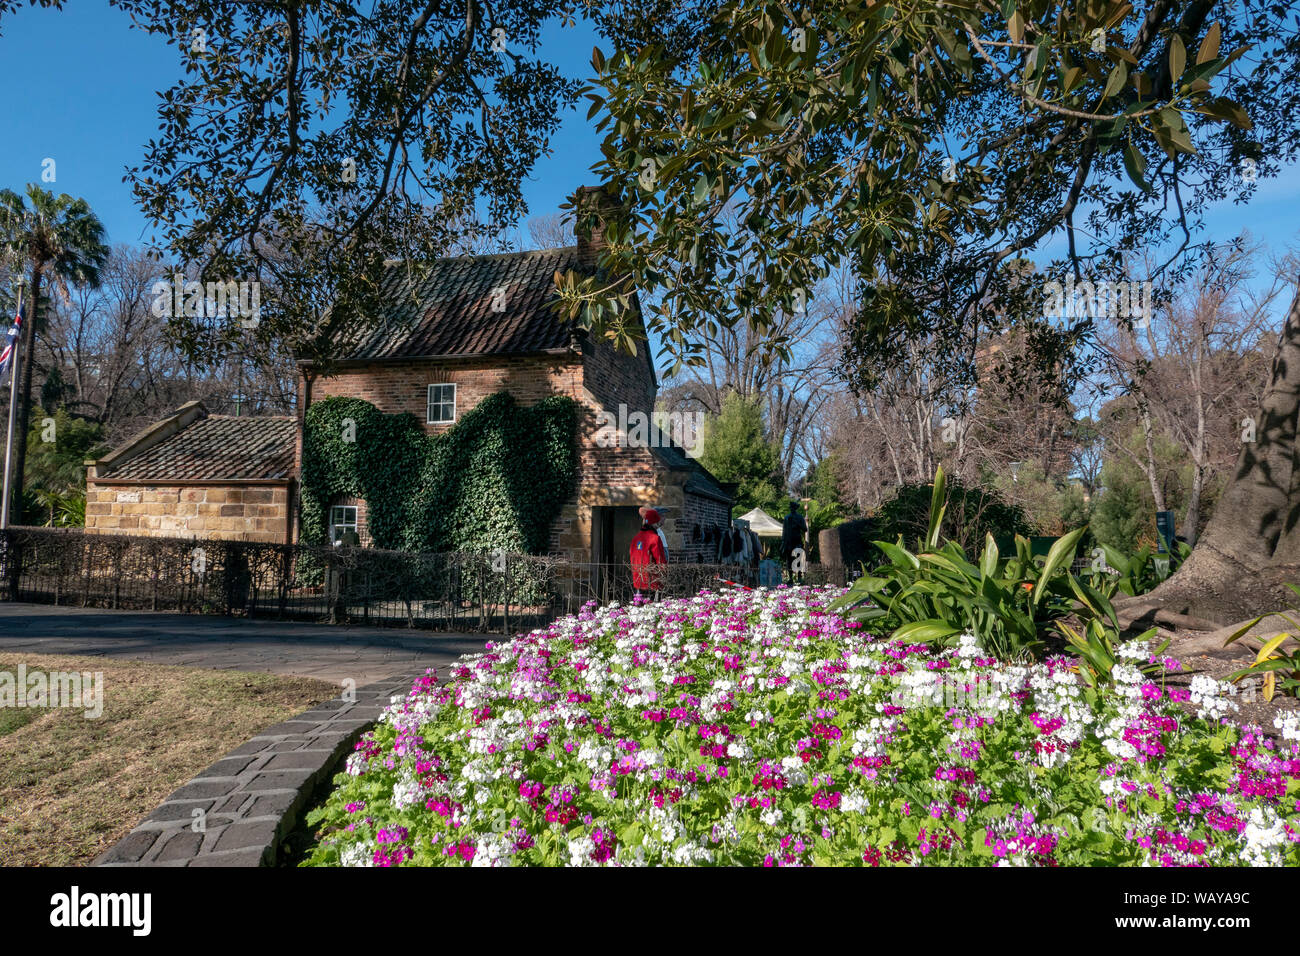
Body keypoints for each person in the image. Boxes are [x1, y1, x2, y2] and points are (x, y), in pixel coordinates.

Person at [630, 508, 666, 600]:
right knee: (650, 609)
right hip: (651, 578)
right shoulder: (655, 538)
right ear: (654, 522)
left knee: (639, 608)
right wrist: (664, 574)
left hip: (638, 577)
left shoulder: (635, 538)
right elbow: (660, 560)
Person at [781, 500, 808, 584]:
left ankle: (799, 577)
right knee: (789, 560)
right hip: (788, 541)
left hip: (797, 540)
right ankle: (790, 578)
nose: (792, 509)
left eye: (793, 508)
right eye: (791, 508)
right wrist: (783, 542)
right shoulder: (786, 518)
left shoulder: (799, 517)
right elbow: (784, 531)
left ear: (795, 508)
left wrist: (797, 523)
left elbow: (805, 529)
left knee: (798, 559)